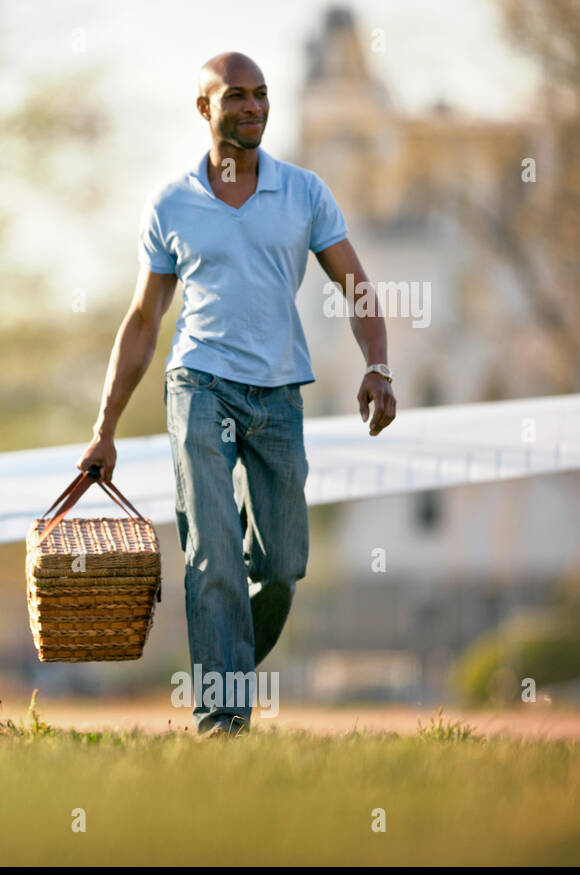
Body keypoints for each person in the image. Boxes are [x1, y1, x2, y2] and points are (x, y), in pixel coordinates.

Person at [78, 51, 397, 736]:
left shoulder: (304, 192)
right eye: (236, 97)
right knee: (212, 552)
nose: (252, 107)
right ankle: (222, 717)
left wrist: (380, 366)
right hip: (199, 386)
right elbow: (142, 321)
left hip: (279, 394)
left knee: (281, 566)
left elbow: (357, 285)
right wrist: (104, 427)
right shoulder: (171, 204)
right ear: (205, 109)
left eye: (261, 95)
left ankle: (227, 662)